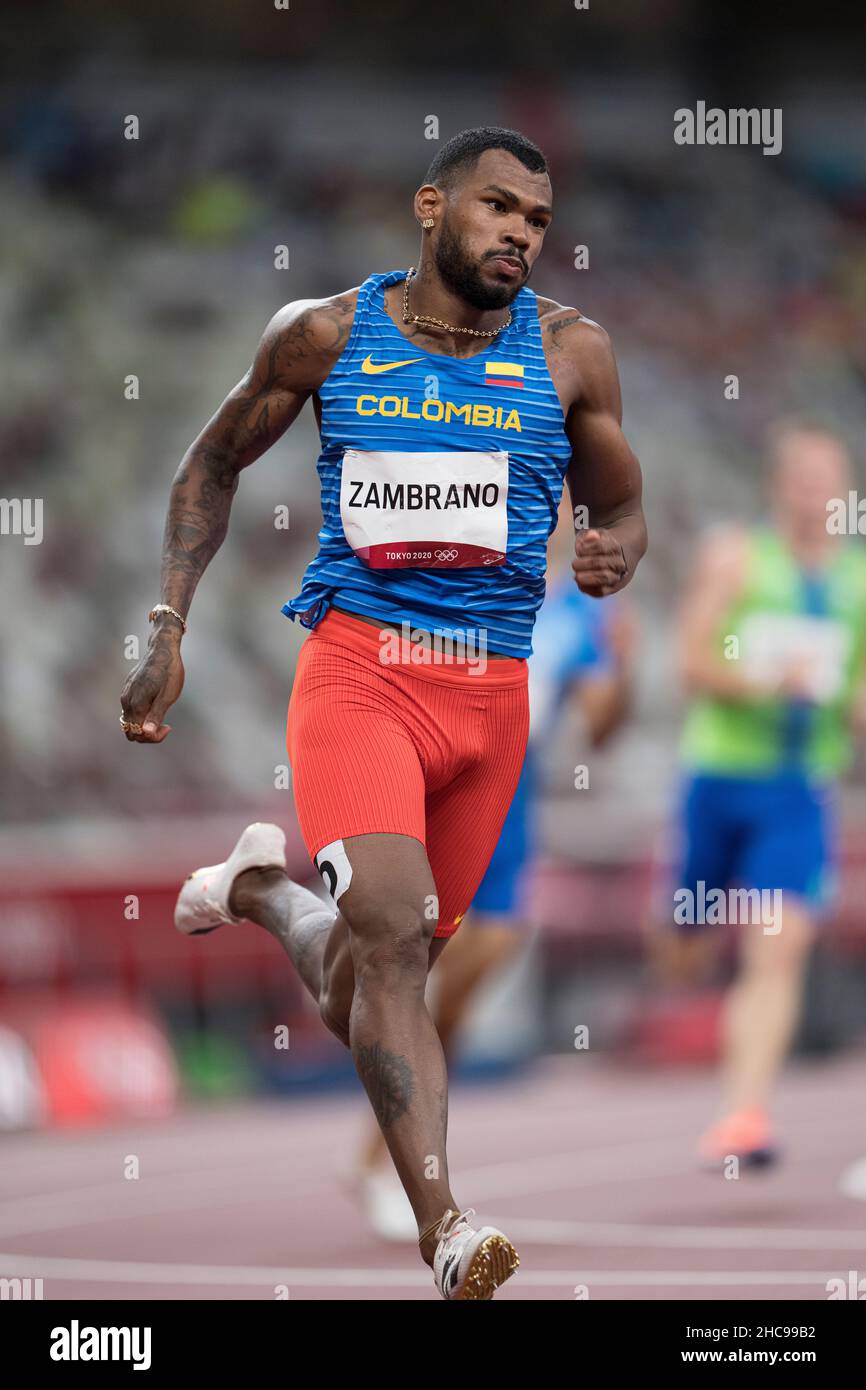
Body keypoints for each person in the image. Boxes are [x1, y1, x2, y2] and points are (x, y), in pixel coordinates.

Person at [119, 125, 645, 1299]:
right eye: (498, 207)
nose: (519, 232)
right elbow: (209, 464)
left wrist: (614, 552)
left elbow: (623, 500)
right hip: (362, 674)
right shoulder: (322, 334)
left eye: (538, 220)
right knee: (398, 944)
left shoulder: (573, 354)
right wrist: (165, 627)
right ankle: (447, 1227)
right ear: (429, 206)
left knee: (372, 974)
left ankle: (260, 891)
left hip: (492, 697)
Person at [354, 492, 636, 1240]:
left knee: (471, 973)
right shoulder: (461, 568)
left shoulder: (580, 614)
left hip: (509, 799)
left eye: (563, 504)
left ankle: (380, 1151)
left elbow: (602, 724)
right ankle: (398, 1165)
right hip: (427, 774)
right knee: (394, 959)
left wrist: (623, 674)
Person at [663, 422, 866, 1169]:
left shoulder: (858, 579)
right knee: (684, 945)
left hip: (798, 791)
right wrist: (762, 679)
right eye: (805, 481)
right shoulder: (737, 558)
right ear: (780, 486)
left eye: (831, 482)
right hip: (717, 781)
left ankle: (742, 1115)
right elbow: (689, 661)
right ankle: (688, 962)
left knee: (776, 948)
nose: (818, 497)